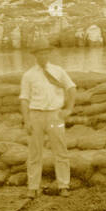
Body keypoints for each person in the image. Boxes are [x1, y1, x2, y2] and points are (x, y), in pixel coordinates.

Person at [19, 39, 76, 196]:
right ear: (35, 56)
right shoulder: (28, 75)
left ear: (49, 53)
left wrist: (69, 109)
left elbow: (71, 88)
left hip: (55, 115)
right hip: (35, 115)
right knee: (34, 153)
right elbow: (24, 98)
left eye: (45, 52)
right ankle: (33, 187)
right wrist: (27, 120)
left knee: (61, 150)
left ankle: (63, 186)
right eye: (39, 53)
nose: (43, 56)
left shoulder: (58, 71)